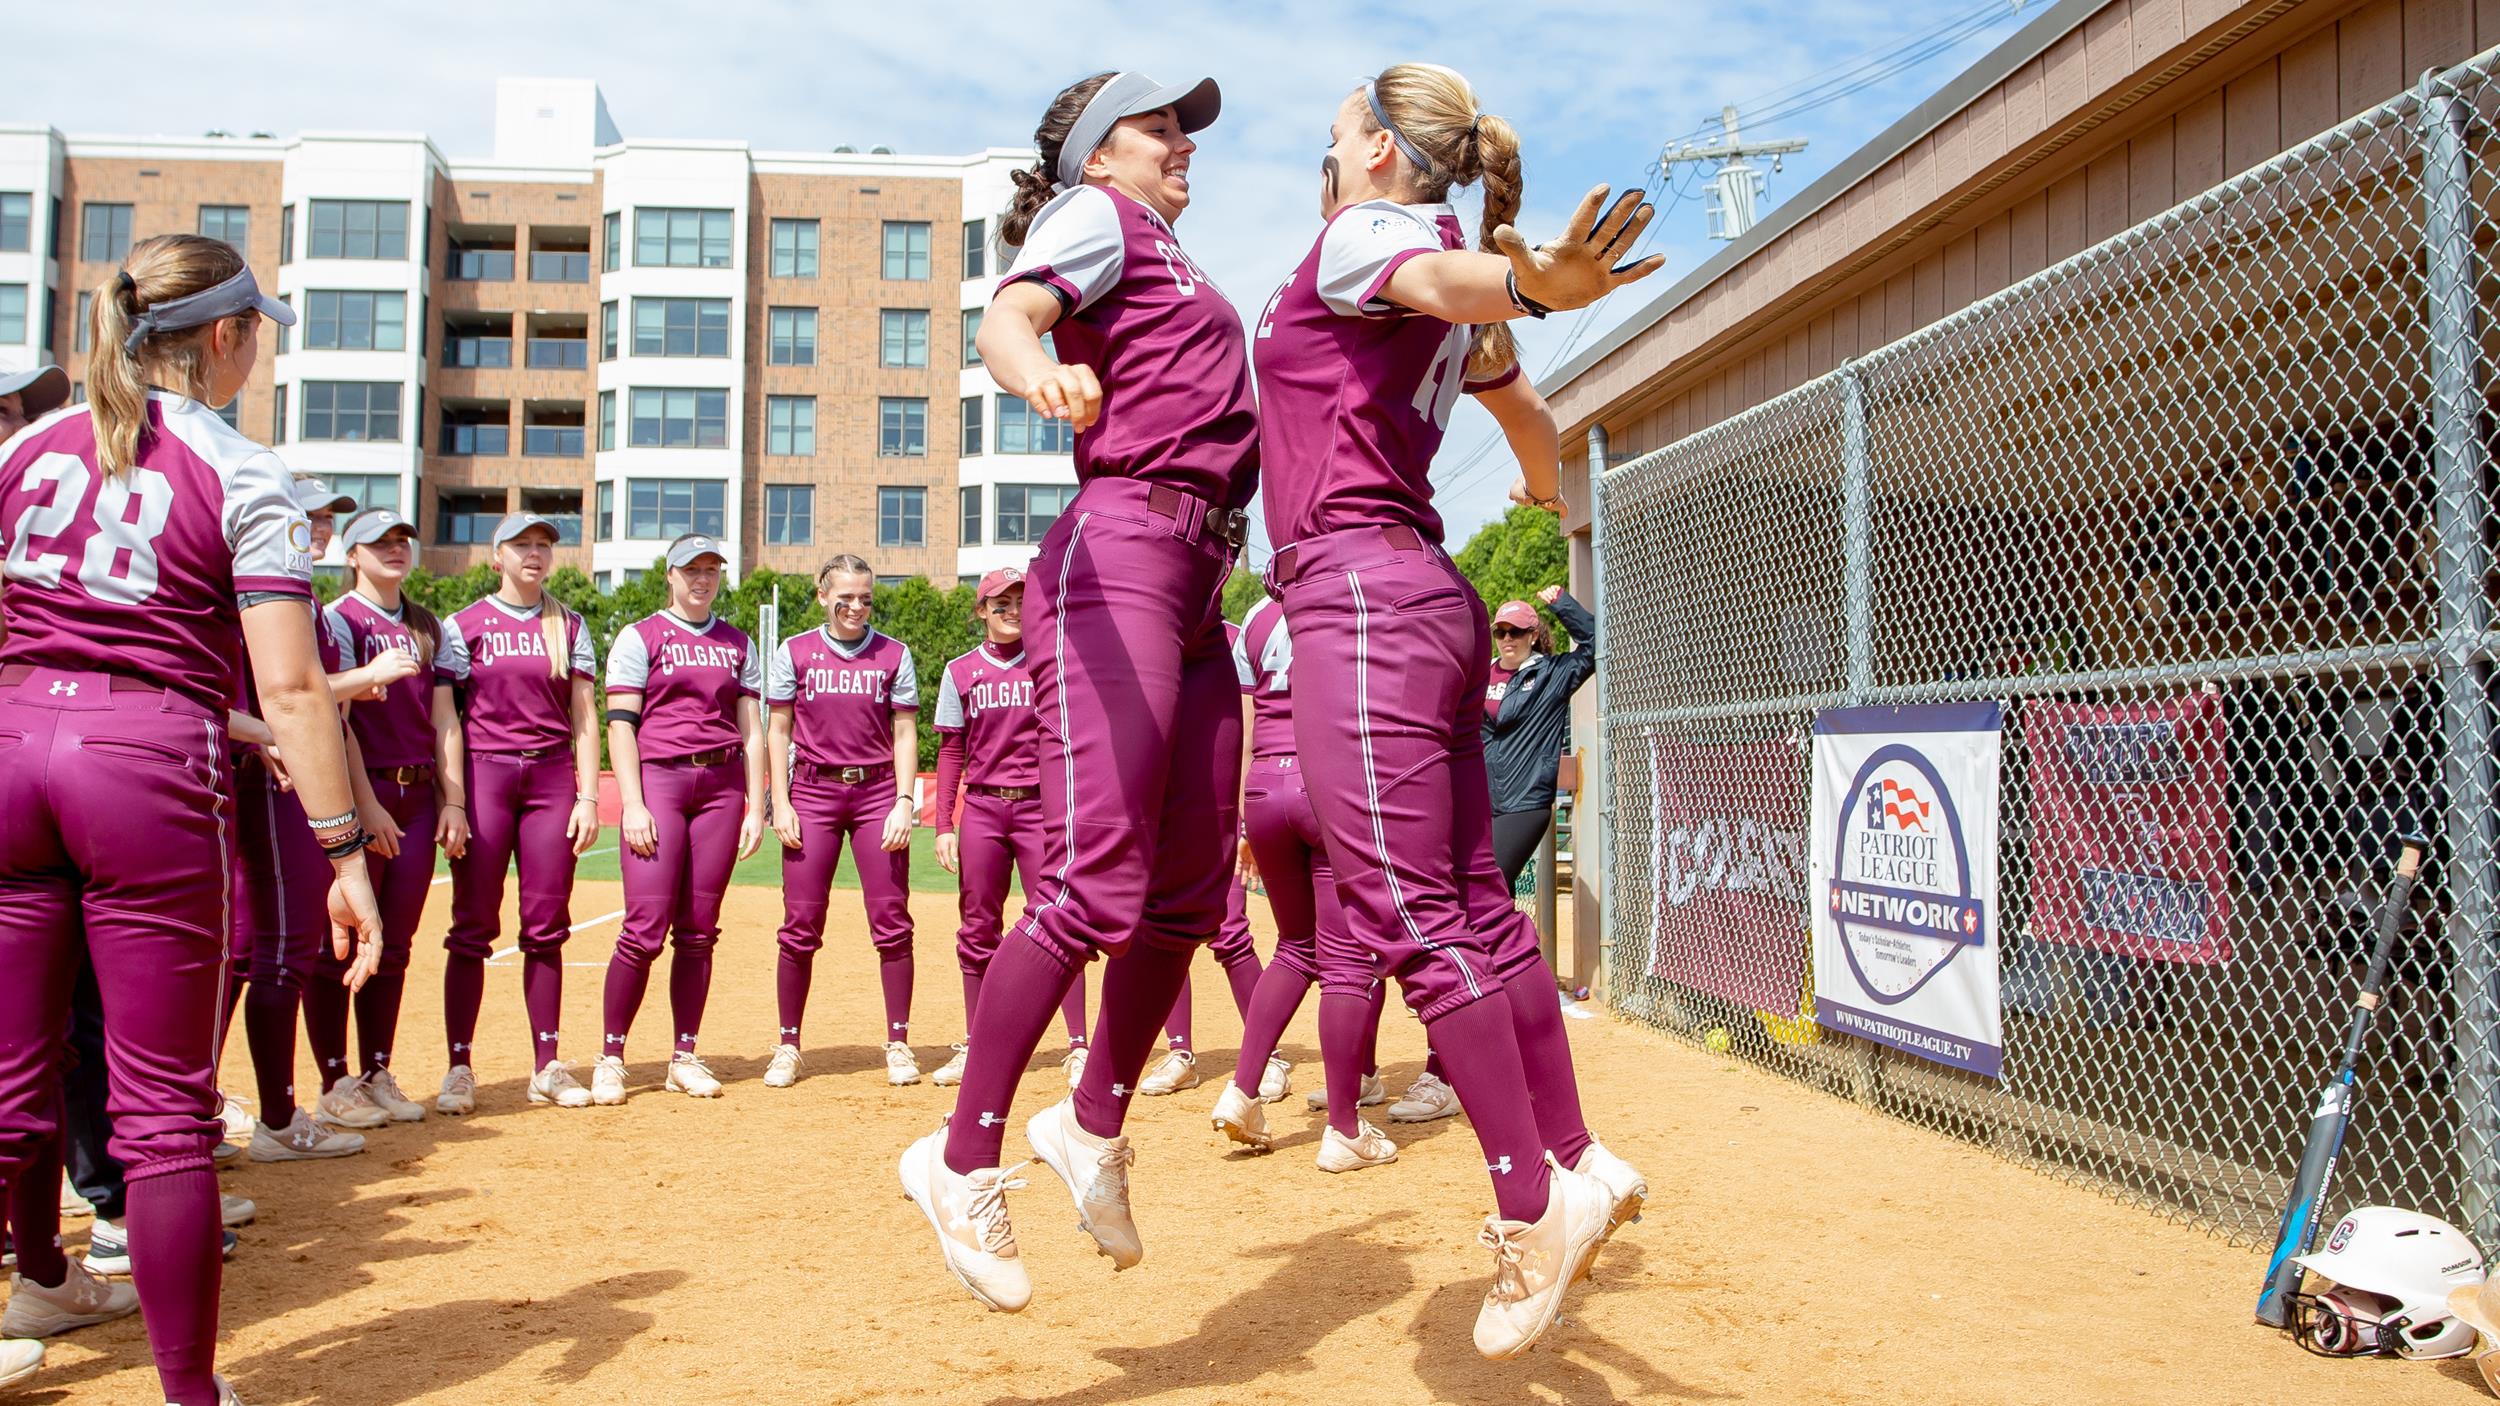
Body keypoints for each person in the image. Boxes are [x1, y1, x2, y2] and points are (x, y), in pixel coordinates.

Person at [1250, 64, 1656, 1358]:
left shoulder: (1377, 232)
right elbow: (1525, 418)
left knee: (1417, 916)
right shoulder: (1428, 245)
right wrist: (1542, 487)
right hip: (1421, 594)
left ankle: (1529, 1206)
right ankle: (1575, 1157)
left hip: (1360, 598)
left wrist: (1535, 283)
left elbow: (1451, 286)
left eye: (1335, 133)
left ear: (1376, 147)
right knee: (1478, 905)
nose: (1326, 149)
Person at [0, 232, 383, 1405]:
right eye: (256, 327)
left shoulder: (25, 446)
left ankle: (45, 1276)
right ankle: (187, 1391)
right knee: (163, 1108)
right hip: (146, 760)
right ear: (223, 335)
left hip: (12, 742)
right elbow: (292, 685)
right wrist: (343, 851)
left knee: (10, 1075)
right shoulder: (243, 468)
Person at [898, 69, 1256, 1315]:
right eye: (1159, 127)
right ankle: (959, 1155)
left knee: (1192, 885)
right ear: (1098, 154)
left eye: (1181, 129)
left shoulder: (1171, 248)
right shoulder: (1097, 217)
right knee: (1096, 876)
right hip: (1122, 557)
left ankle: (1090, 1123)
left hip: (1199, 576)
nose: (1181, 144)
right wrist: (1033, 372)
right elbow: (1007, 317)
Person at [229, 477, 400, 1159]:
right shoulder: (264, 598)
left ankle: (220, 1111)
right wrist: (367, 675)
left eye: (329, 515)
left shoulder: (313, 610)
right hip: (268, 781)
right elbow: (287, 700)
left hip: (303, 781)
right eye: (310, 514)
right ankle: (272, 1119)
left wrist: (359, 802)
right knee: (269, 950)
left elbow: (333, 722)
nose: (321, 525)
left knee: (268, 951)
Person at [1208, 594, 1396, 1169]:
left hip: (1265, 783)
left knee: (1294, 947)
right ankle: (1344, 1128)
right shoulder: (1355, 595)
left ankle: (1242, 1090)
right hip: (1328, 782)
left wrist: (1242, 812)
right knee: (1348, 963)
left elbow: (1243, 725)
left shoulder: (1258, 619)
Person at [432, 512, 602, 1113]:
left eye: (543, 546)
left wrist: (587, 795)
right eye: (521, 545)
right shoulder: (463, 626)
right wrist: (451, 798)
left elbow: (585, 716)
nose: (534, 554)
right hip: (485, 775)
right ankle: (459, 1066)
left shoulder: (569, 624)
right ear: (496, 556)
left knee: (546, 923)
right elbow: (445, 717)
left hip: (551, 778)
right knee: (473, 923)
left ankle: (546, 1063)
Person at [593, 534, 766, 1104]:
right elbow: (621, 724)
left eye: (712, 569)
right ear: (670, 575)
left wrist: (755, 802)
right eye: (691, 569)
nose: (702, 578)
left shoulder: (736, 642)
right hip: (660, 782)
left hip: (719, 786)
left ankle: (683, 1055)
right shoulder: (640, 636)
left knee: (698, 931)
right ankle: (612, 1056)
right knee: (644, 928)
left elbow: (752, 729)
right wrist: (634, 801)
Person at [930, 568, 1090, 1090]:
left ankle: (1077, 1045)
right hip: (982, 809)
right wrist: (943, 825)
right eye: (1000, 601)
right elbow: (951, 750)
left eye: (1021, 599)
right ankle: (977, 1043)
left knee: (1060, 921)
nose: (1012, 609)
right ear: (981, 610)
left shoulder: (1052, 664)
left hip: (1040, 812)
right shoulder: (960, 671)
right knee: (978, 926)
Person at [766, 555, 918, 1088]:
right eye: (845, 597)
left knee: (892, 924)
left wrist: (905, 798)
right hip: (812, 792)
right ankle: (788, 1044)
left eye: (865, 598)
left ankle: (898, 1042)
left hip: (877, 791)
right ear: (822, 595)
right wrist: (780, 802)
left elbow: (904, 732)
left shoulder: (894, 654)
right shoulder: (795, 652)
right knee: (800, 926)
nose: (856, 606)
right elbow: (778, 730)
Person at [321, 506, 449, 1123]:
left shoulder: (426, 625)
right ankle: (333, 1078)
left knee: (395, 941)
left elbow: (445, 721)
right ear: (351, 555)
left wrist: (452, 799)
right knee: (342, 940)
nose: (395, 549)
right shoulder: (339, 619)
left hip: (418, 796)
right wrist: (363, 803)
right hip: (358, 793)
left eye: (402, 540)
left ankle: (376, 1069)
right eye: (378, 542)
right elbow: (334, 714)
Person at [1136, 616, 1267, 1100]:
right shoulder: (1147, 633)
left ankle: (1266, 1055)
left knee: (1230, 930)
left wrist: (1242, 818)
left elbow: (1249, 738)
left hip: (1219, 809)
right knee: (1162, 929)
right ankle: (1180, 1053)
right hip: (1160, 808)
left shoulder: (1236, 640)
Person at [1485, 586, 1597, 891]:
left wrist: (1562, 604)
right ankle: (1506, 939)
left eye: (1516, 632)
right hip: (1480, 801)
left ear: (1533, 635)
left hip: (1524, 801)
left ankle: (1506, 939)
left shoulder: (1552, 674)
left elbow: (1596, 644)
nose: (1508, 639)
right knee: (1473, 889)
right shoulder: (1480, 674)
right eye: (1501, 632)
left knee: (1491, 886)